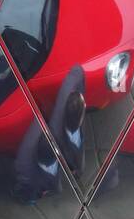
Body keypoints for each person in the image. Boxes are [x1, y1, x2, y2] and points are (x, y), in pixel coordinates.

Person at [12, 65, 85, 204]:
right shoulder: (26, 168)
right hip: (38, 185)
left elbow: (76, 73)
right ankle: (29, 198)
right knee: (30, 192)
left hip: (54, 171)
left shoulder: (60, 124)